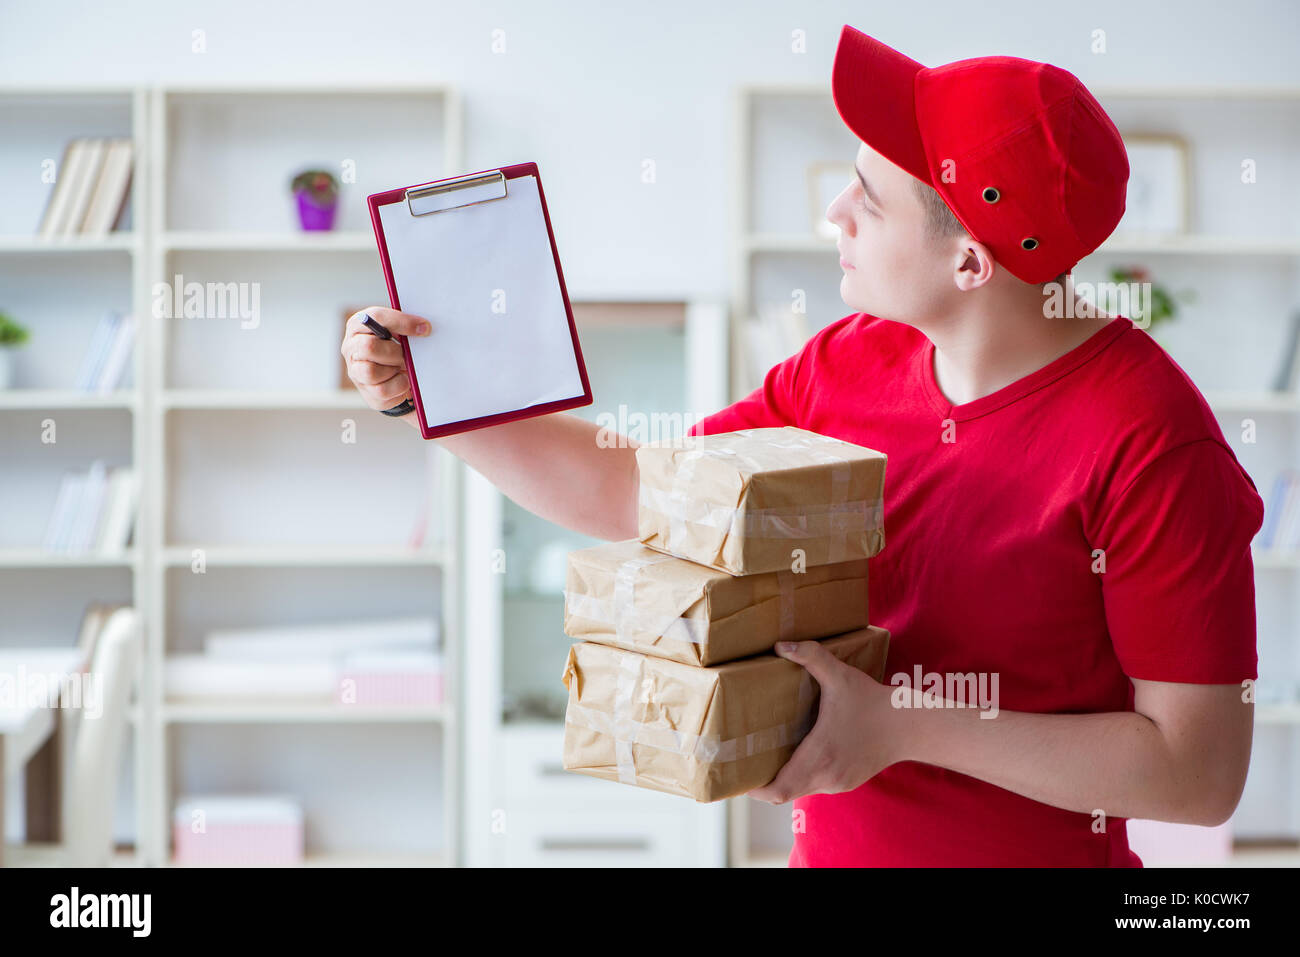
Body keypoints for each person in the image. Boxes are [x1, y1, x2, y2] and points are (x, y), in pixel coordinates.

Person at [339, 26, 1262, 867]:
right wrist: (442, 399)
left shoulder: (1155, 443)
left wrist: (902, 725)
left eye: (868, 199)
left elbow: (1195, 772)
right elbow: (639, 489)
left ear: (970, 261)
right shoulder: (848, 364)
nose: (835, 214)